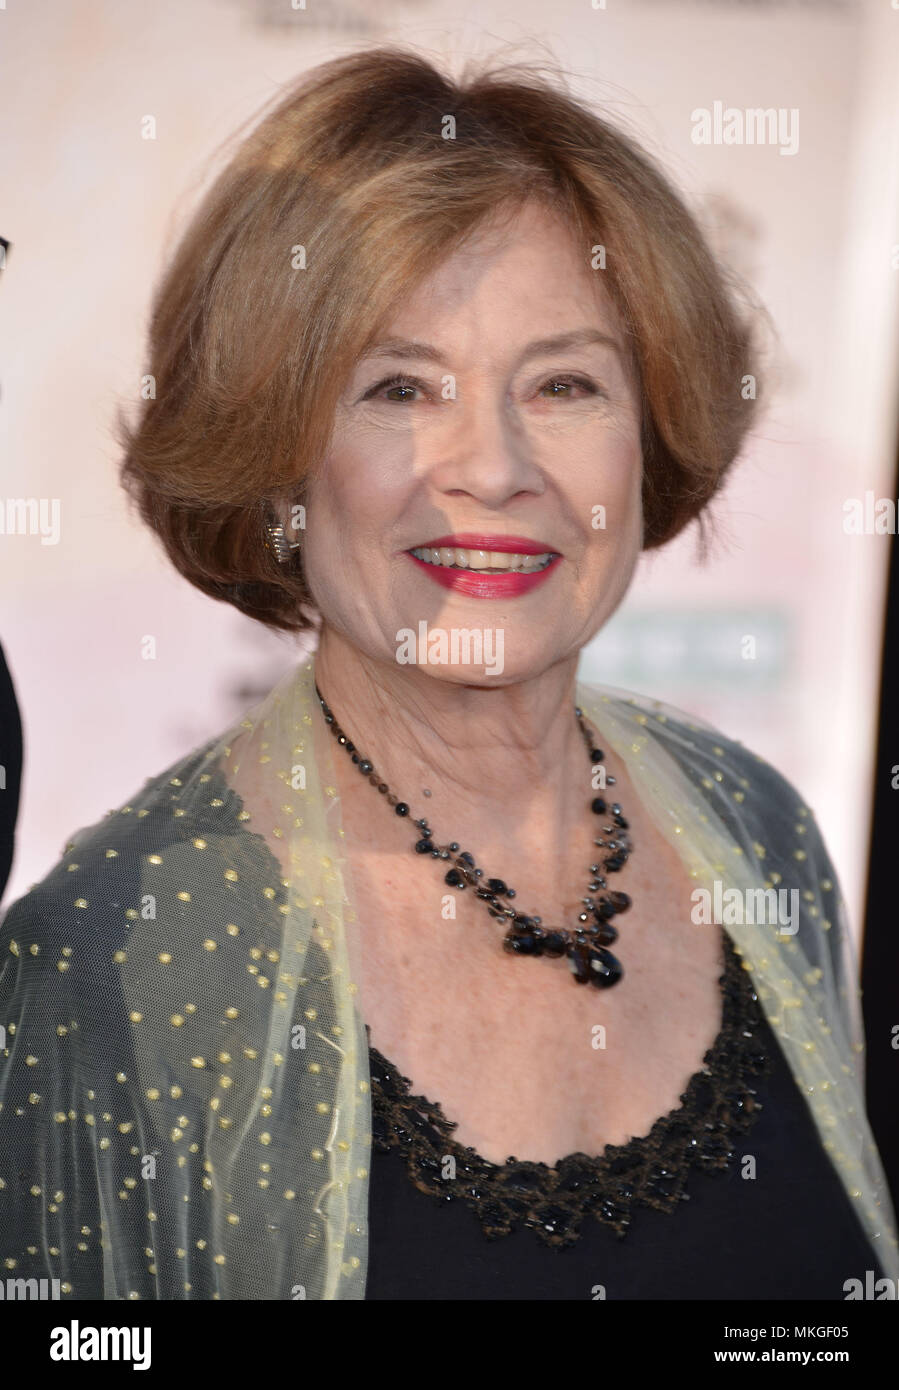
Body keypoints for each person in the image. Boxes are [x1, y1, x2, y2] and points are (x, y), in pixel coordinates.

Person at [0, 47, 895, 1302]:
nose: (491, 465)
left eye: (565, 383)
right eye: (400, 387)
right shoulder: (109, 962)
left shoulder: (759, 831)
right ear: (279, 459)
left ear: (651, 436)